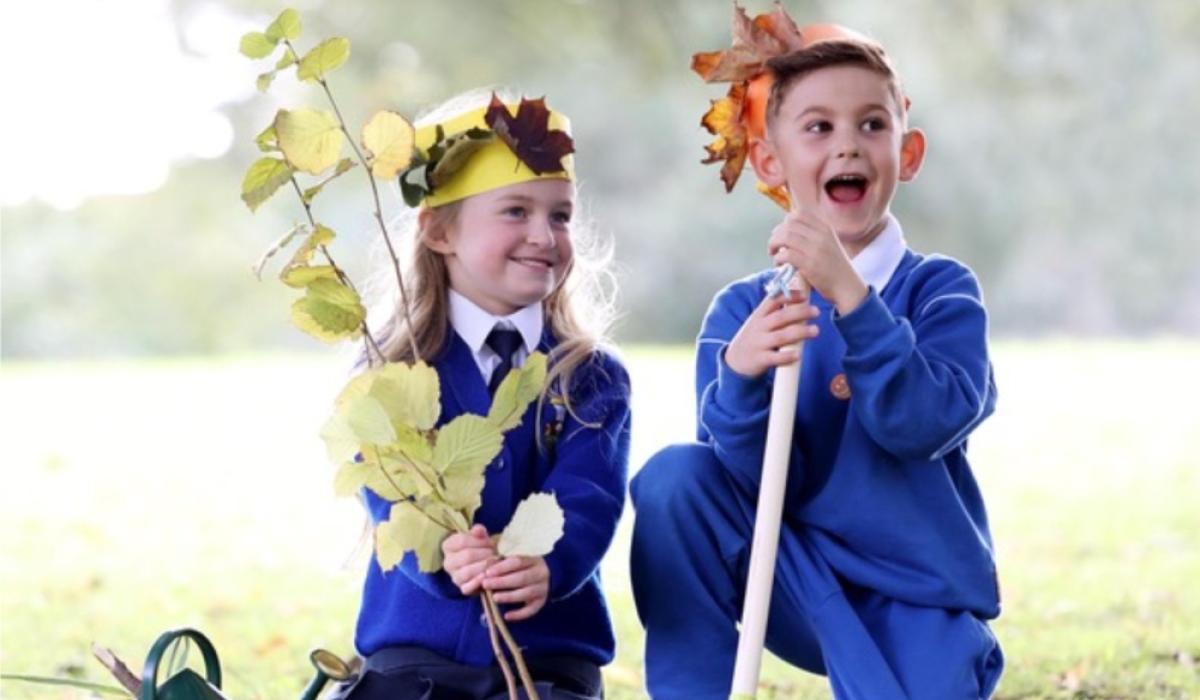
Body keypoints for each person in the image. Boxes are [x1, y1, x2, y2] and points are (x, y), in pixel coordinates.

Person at [630, 21, 1004, 700]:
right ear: (771, 162)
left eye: (870, 125)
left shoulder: (943, 290)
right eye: (819, 128)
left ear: (908, 151)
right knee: (675, 478)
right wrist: (741, 378)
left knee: (936, 683)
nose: (847, 145)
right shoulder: (741, 312)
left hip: (912, 587)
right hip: (793, 575)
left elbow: (920, 425)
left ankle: (949, 655)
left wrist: (854, 301)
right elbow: (745, 483)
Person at [334, 91, 631, 700]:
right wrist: (446, 552)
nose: (544, 236)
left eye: (560, 215)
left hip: (546, 660)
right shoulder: (389, 372)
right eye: (516, 211)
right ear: (440, 230)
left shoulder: (587, 374)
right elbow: (391, 497)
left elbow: (590, 493)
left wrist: (551, 563)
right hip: (416, 658)